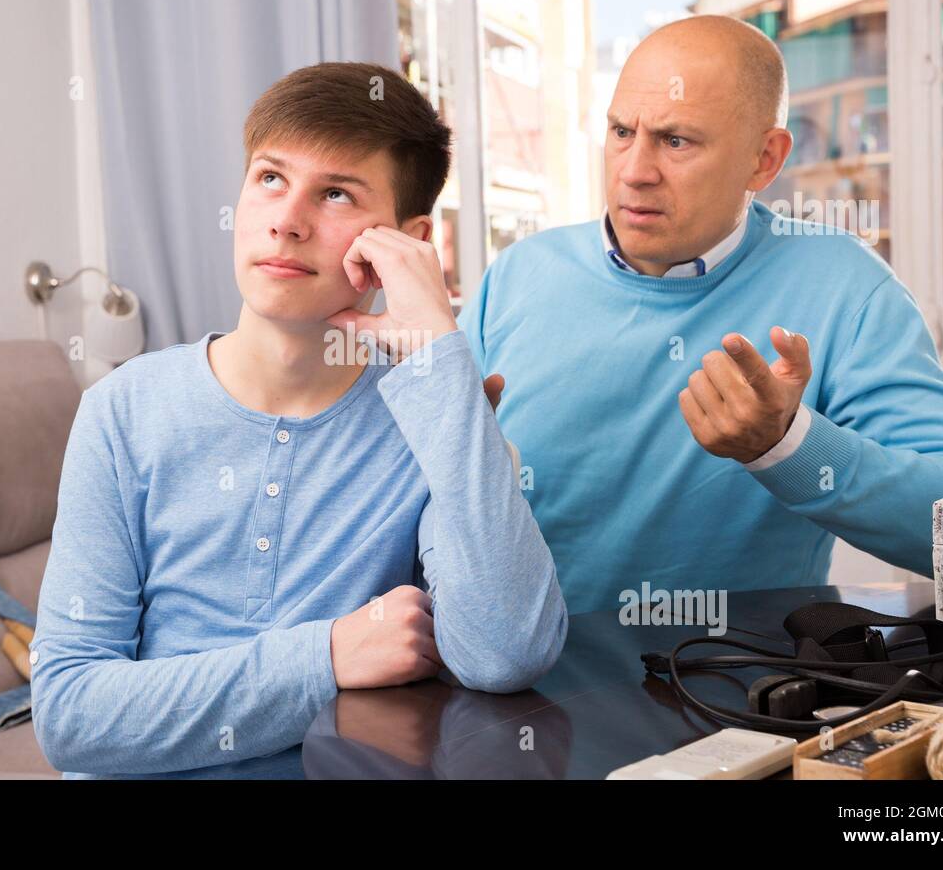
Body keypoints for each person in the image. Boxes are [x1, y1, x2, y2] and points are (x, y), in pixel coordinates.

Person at [30, 61, 568, 779]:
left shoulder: (433, 413)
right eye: (271, 178)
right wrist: (328, 653)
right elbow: (70, 714)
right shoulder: (122, 410)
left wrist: (441, 365)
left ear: (406, 241)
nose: (287, 219)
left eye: (336, 192)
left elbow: (508, 652)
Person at [457, 15, 943, 613]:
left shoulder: (844, 286)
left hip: (726, 695)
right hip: (511, 688)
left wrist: (788, 445)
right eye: (622, 131)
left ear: (763, 160)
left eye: (676, 141)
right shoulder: (516, 275)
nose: (635, 171)